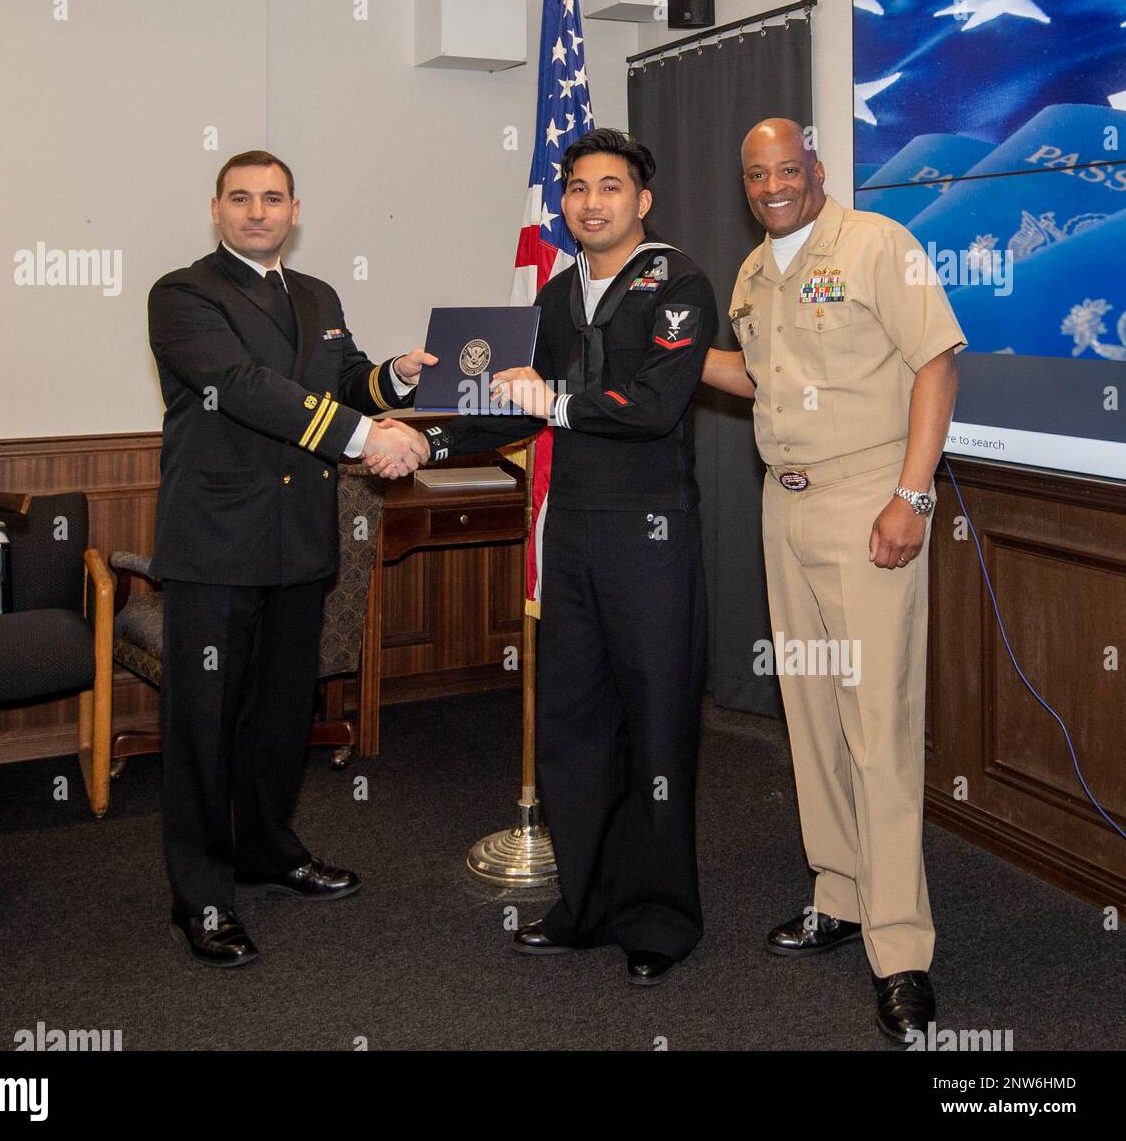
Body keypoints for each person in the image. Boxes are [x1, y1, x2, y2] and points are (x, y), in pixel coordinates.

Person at [370, 128, 716, 985]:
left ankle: (660, 916)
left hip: (648, 539)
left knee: (655, 728)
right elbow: (515, 412)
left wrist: (552, 395)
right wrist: (428, 436)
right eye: (575, 188)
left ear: (642, 201)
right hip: (566, 540)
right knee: (571, 725)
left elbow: (653, 405)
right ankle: (587, 903)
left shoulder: (677, 285)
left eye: (609, 186)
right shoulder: (559, 296)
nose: (589, 201)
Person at [701, 119, 964, 1042]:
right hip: (786, 501)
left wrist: (911, 495)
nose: (772, 186)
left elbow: (936, 362)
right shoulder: (751, 272)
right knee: (810, 713)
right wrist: (672, 354)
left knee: (877, 724)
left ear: (814, 169)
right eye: (756, 175)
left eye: (786, 169)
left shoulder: (878, 244)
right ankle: (840, 894)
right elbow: (762, 375)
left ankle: (899, 948)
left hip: (868, 502)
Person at [148, 149, 434, 967]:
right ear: (216, 209)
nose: (258, 212)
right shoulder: (184, 293)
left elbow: (342, 379)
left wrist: (394, 381)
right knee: (204, 725)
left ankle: (269, 850)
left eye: (272, 199)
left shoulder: (316, 295)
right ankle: (200, 897)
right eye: (241, 198)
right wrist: (364, 437)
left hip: (298, 538)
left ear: (294, 210)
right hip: (217, 542)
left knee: (280, 717)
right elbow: (241, 385)